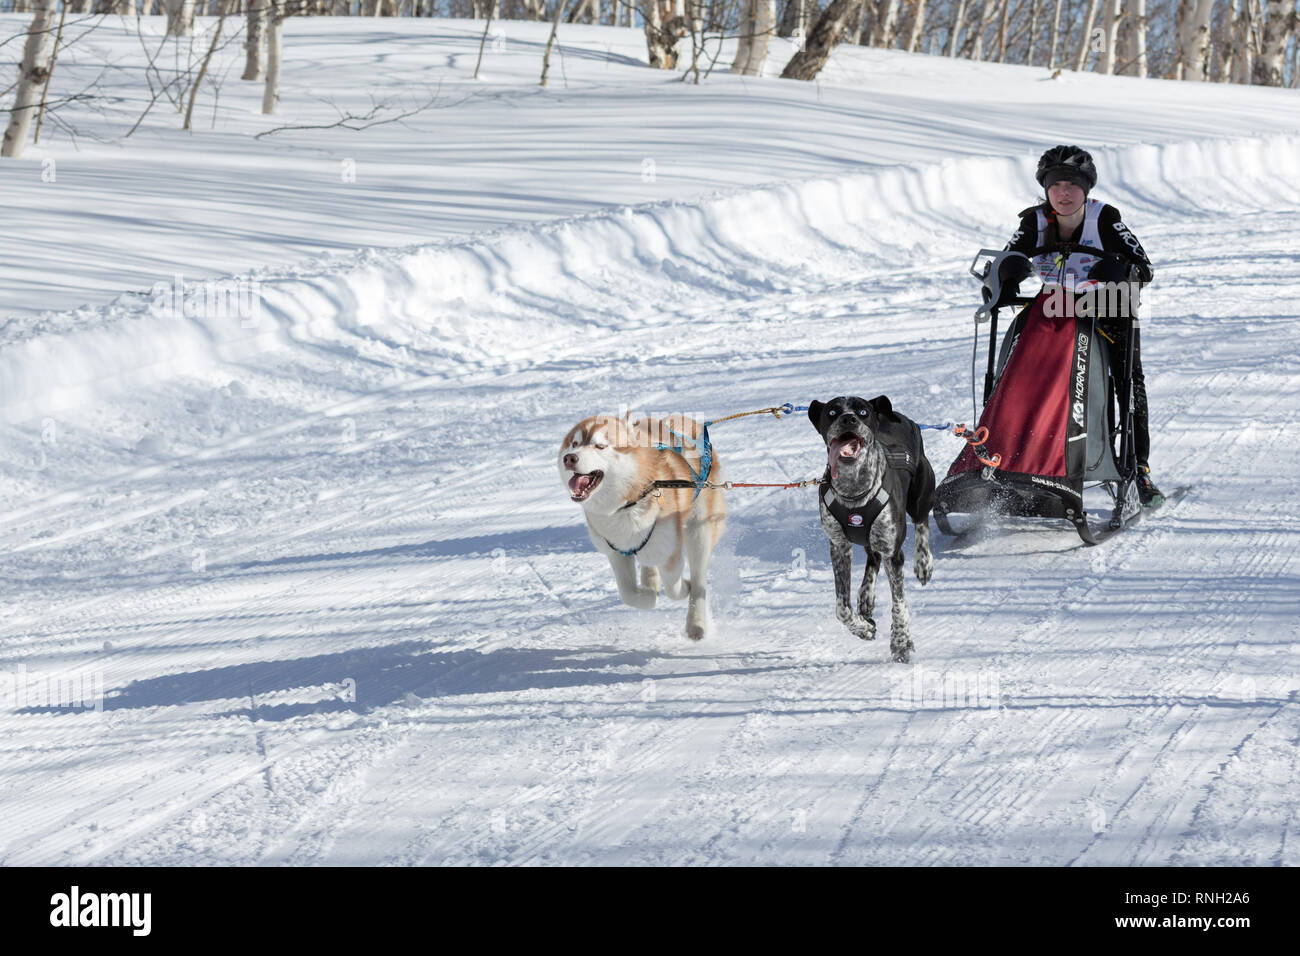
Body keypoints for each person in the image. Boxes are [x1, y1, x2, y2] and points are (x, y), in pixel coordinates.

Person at [993, 144, 1163, 507]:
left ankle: (1138, 467)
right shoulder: (1034, 222)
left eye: (1072, 185)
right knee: (1019, 370)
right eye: (1056, 185)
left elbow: (1143, 267)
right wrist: (1006, 274)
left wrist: (1118, 267)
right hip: (1054, 307)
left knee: (1127, 379)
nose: (1064, 193)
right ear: (1046, 190)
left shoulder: (1104, 219)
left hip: (1108, 306)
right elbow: (1009, 257)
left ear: (1086, 189)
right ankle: (1014, 461)